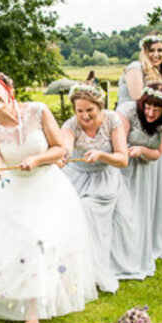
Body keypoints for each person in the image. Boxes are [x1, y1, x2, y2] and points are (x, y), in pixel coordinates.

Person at [0, 72, 97, 323]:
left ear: (8, 88)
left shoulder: (38, 111)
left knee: (38, 241)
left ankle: (32, 312)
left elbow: (60, 150)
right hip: (12, 192)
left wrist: (37, 159)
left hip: (47, 188)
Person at [62, 83, 129, 293]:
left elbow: (123, 159)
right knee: (71, 213)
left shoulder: (112, 120)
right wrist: (61, 157)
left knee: (87, 209)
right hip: (77, 178)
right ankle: (76, 271)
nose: (84, 116)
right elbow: (65, 147)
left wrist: (101, 155)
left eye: (89, 110)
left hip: (104, 179)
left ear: (100, 107)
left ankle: (98, 271)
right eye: (79, 111)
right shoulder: (70, 125)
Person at [112, 84, 162, 281]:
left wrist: (142, 151)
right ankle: (118, 257)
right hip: (122, 170)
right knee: (123, 213)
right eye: (147, 107)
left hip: (145, 172)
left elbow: (157, 152)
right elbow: (117, 143)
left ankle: (136, 252)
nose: (150, 113)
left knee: (139, 213)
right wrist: (129, 151)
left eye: (156, 110)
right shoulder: (127, 112)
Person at [117, 32, 162, 106]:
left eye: (160, 50)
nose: (156, 54)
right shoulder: (135, 68)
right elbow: (137, 99)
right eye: (151, 50)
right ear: (145, 52)